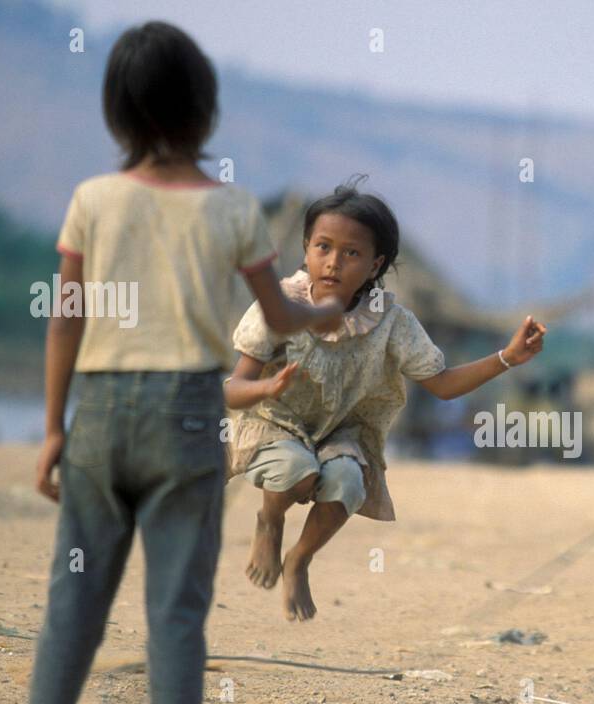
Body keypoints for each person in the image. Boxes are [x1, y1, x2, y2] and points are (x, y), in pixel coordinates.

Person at [0, 21, 346, 704]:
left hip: (102, 413)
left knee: (73, 595)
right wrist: (324, 314)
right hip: (187, 413)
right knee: (176, 604)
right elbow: (278, 315)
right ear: (205, 111)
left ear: (118, 112)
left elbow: (65, 319)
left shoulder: (93, 200)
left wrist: (52, 429)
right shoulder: (233, 209)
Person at [224, 178, 547, 621]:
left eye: (351, 253)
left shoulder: (392, 322)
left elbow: (443, 383)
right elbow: (232, 389)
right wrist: (265, 388)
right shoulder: (279, 306)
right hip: (274, 423)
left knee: (347, 483)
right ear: (305, 249)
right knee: (297, 471)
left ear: (375, 265)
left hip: (342, 431)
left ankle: (299, 559)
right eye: (323, 247)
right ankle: (270, 520)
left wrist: (507, 358)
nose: (333, 262)